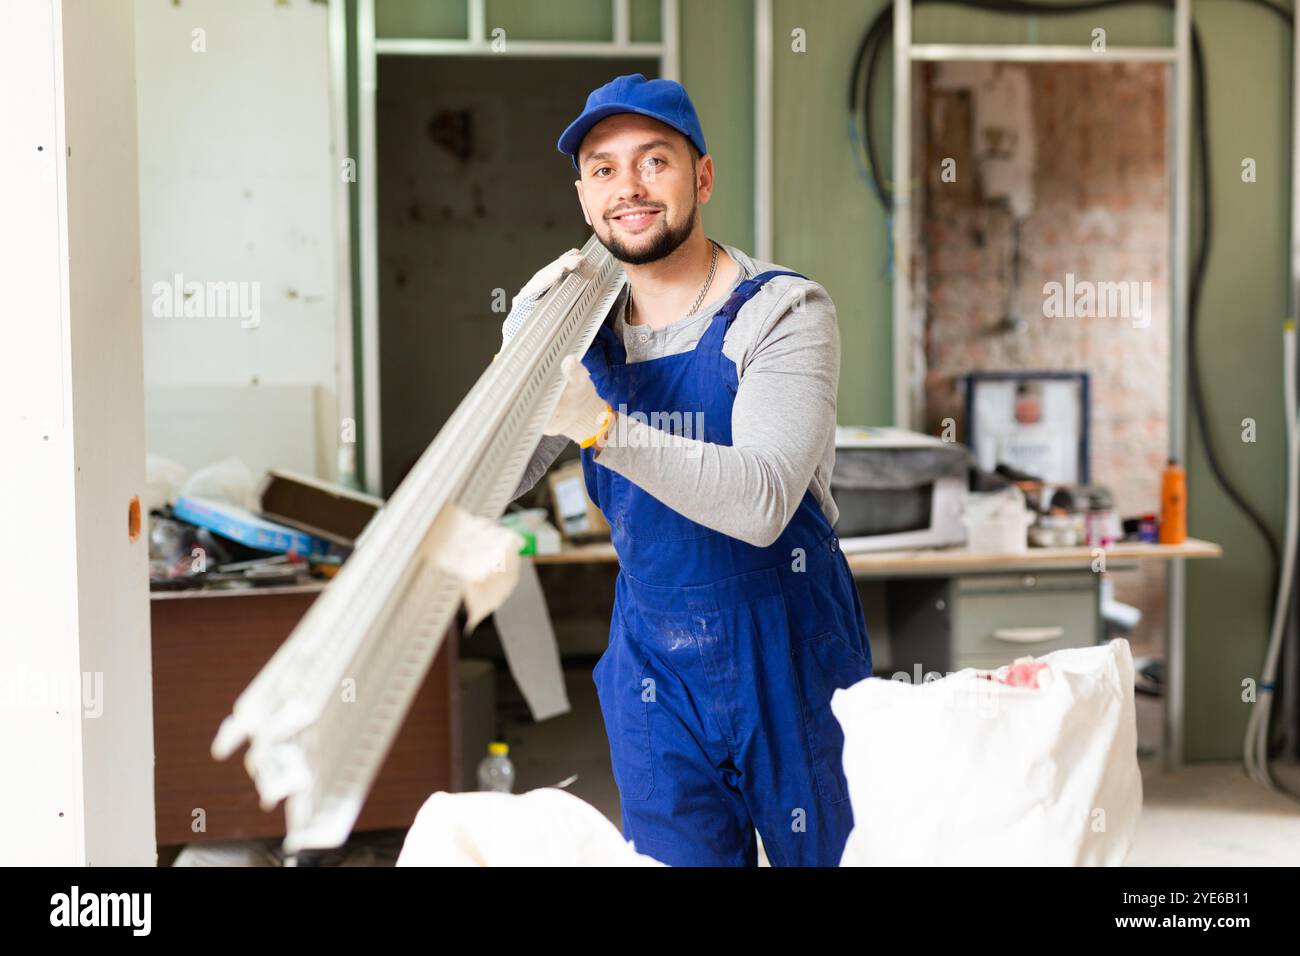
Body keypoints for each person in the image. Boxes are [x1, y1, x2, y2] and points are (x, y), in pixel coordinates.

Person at [504, 73, 872, 866]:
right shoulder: (587, 335)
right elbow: (499, 482)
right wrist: (518, 354)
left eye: (653, 162)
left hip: (792, 657)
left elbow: (764, 499)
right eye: (603, 169)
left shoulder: (781, 312)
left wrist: (601, 427)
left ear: (701, 177)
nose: (628, 188)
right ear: (582, 197)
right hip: (655, 669)